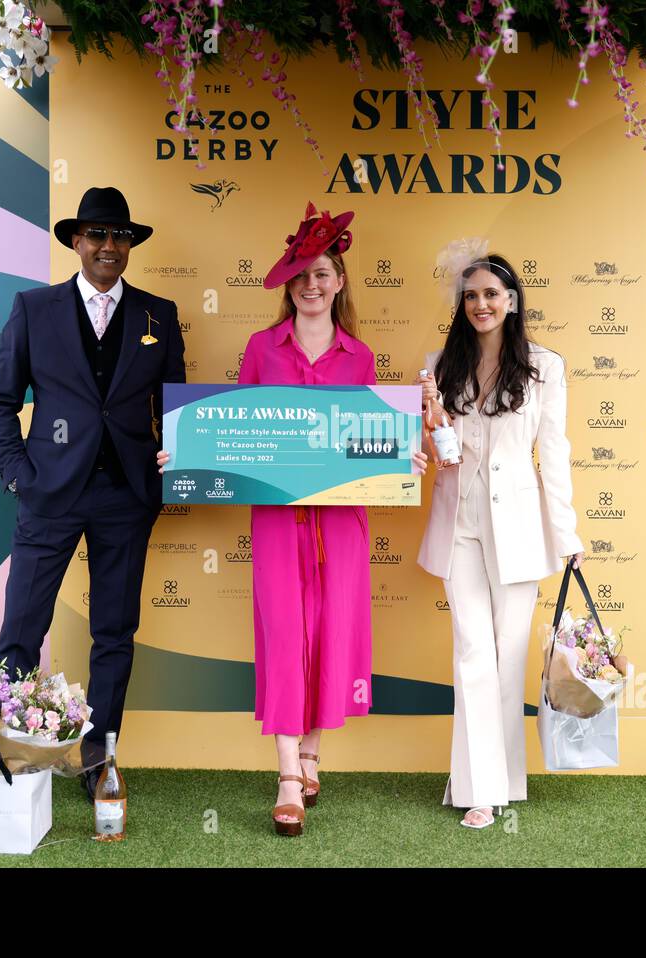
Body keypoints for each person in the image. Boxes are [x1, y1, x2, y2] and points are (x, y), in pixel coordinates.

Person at [158, 202, 426, 836]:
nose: (312, 284)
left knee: (332, 629)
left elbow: (368, 441)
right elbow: (235, 428)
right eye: (303, 273)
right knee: (283, 630)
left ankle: (311, 753)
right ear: (289, 283)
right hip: (278, 520)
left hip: (340, 521)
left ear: (340, 282)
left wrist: (402, 453)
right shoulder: (260, 348)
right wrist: (186, 449)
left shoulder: (360, 358)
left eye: (324, 273)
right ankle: (285, 774)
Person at [0, 186, 186, 804]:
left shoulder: (159, 313)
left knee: (115, 628)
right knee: (22, 622)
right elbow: (0, 400)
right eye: (96, 235)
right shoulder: (33, 308)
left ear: (129, 245)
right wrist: (18, 472)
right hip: (49, 492)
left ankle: (101, 755)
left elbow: (174, 404)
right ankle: (1, 756)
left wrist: (173, 455)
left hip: (126, 495)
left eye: (119, 236)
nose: (108, 245)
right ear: (76, 242)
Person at [415, 247, 584, 830]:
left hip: (518, 526)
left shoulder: (545, 367)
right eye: (471, 295)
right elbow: (433, 454)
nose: (481, 304)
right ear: (460, 305)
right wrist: (426, 436)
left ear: (511, 300)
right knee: (472, 651)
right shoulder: (437, 365)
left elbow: (554, 455)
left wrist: (566, 533)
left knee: (508, 656)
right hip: (457, 522)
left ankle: (505, 777)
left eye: (491, 294)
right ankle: (480, 789)